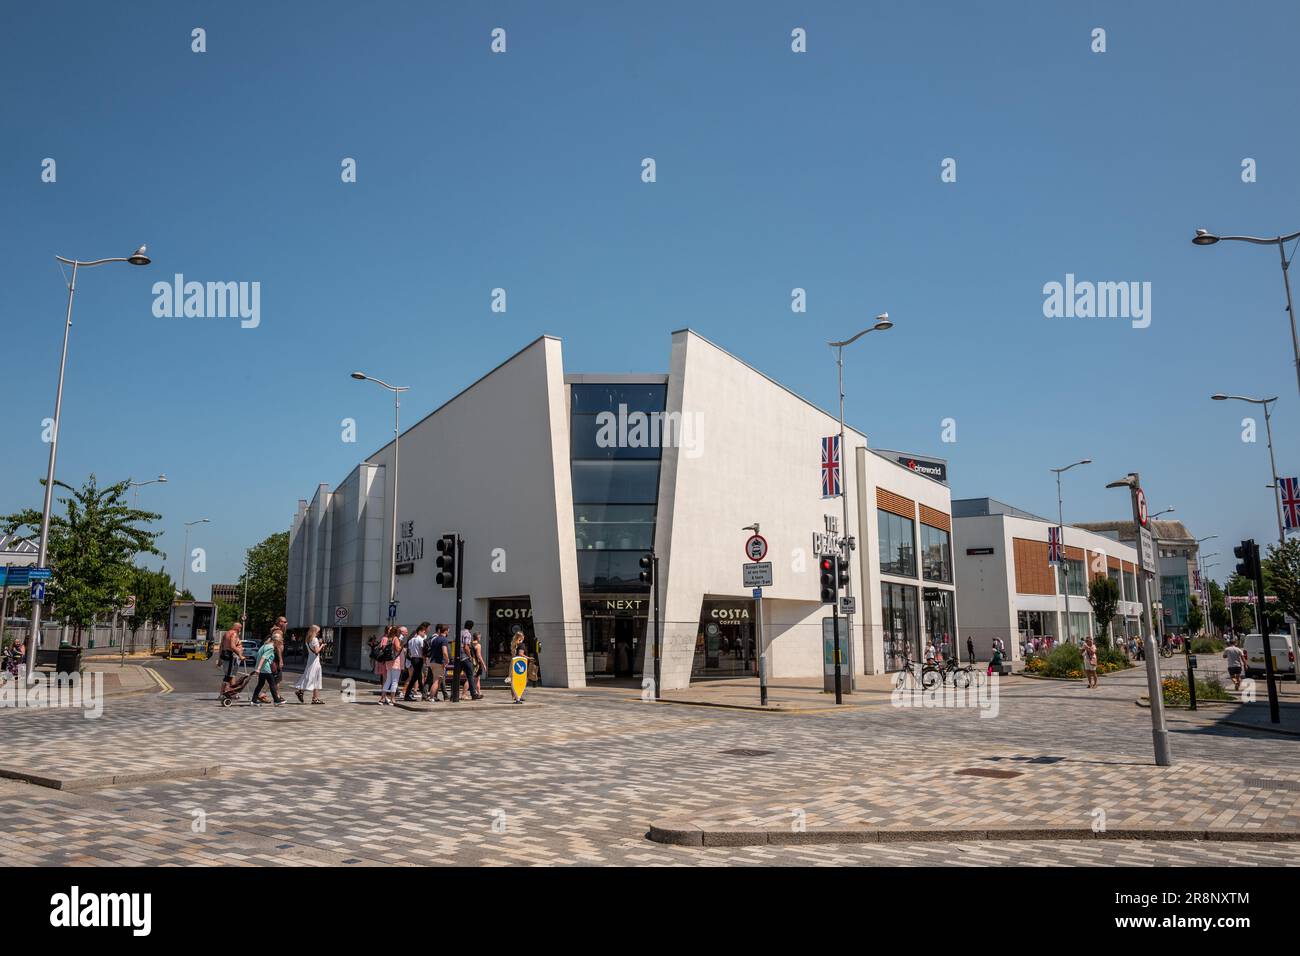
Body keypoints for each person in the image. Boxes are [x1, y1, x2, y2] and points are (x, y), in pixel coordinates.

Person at [294, 624, 325, 704]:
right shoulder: (314, 640)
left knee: (314, 678)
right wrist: (322, 645)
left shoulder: (308, 639)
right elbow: (317, 651)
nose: (319, 633)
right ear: (314, 631)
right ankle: (301, 691)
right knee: (312, 678)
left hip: (311, 660)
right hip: (315, 661)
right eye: (318, 631)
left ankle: (315, 698)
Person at [251, 635, 282, 706]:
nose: (280, 643)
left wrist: (258, 668)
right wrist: (258, 668)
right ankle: (276, 700)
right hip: (265, 668)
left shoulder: (264, 645)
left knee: (260, 684)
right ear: (276, 641)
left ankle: (254, 700)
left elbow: (258, 656)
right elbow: (263, 657)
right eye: (280, 641)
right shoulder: (271, 647)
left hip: (262, 668)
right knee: (272, 684)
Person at [456, 620, 482, 700]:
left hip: (458, 657)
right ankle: (473, 694)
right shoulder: (467, 634)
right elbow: (466, 646)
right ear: (471, 627)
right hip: (465, 657)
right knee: (470, 675)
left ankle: (453, 694)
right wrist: (470, 656)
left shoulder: (459, 632)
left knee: (456, 676)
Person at [403, 623, 429, 702]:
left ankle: (423, 693)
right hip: (419, 659)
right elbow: (424, 651)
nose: (424, 634)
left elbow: (409, 651)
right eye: (424, 632)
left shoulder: (411, 640)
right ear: (420, 631)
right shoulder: (421, 640)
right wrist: (425, 660)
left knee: (419, 677)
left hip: (413, 659)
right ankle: (407, 694)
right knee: (415, 677)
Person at [427, 624, 450, 702]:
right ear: (446, 631)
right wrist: (447, 660)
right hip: (439, 662)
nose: (448, 632)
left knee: (437, 680)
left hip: (432, 662)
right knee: (436, 681)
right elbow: (444, 652)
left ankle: (434, 696)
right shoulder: (444, 640)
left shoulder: (435, 639)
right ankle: (431, 697)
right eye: (448, 630)